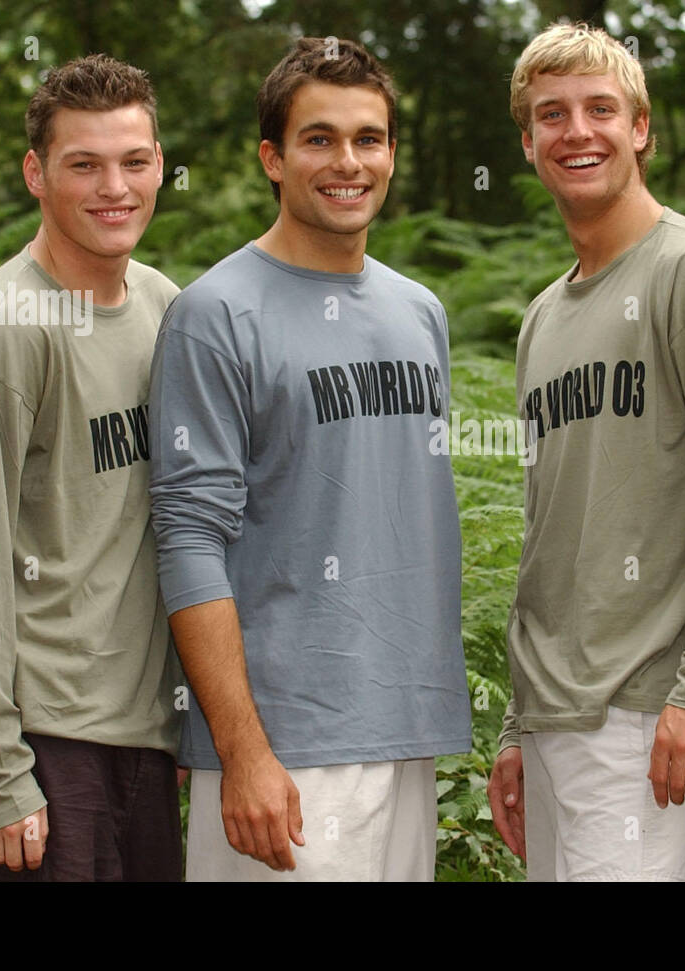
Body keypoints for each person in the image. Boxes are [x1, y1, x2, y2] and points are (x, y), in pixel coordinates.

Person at [147, 37, 471, 882]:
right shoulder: (214, 314)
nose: (348, 162)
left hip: (408, 735)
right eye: (318, 138)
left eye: (369, 138)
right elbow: (187, 540)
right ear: (273, 158)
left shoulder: (420, 313)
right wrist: (241, 750)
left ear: (393, 152)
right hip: (283, 753)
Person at [485, 23, 685, 882]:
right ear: (527, 141)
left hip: (646, 716)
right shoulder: (544, 318)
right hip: (555, 718)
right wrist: (520, 722)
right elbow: (552, 529)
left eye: (600, 109)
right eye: (552, 114)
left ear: (641, 129)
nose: (576, 131)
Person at [0, 54, 183, 881]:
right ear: (38, 173)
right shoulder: (7, 333)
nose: (116, 186)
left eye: (135, 161)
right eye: (85, 164)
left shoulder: (162, 307)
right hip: (40, 750)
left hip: (140, 741)